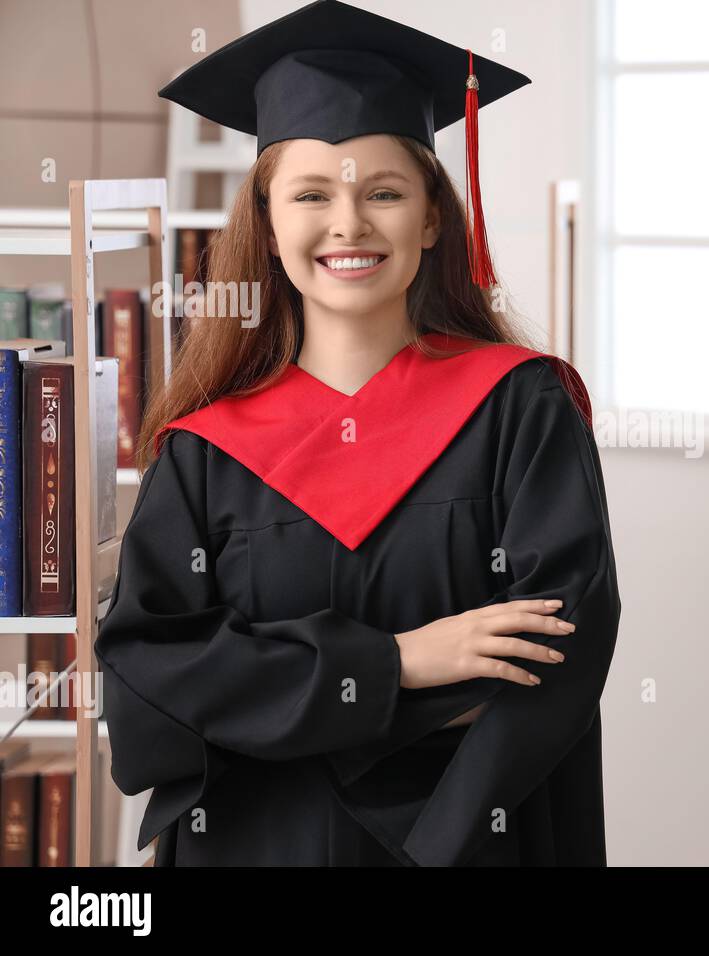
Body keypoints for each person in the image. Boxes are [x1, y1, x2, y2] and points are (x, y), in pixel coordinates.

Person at [93, 0, 621, 866]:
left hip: (464, 845)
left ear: (432, 217)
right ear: (268, 225)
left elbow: (556, 660)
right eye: (311, 194)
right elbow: (149, 686)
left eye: (384, 192)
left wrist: (266, 697)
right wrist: (400, 663)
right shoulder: (202, 452)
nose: (348, 224)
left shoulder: (520, 410)